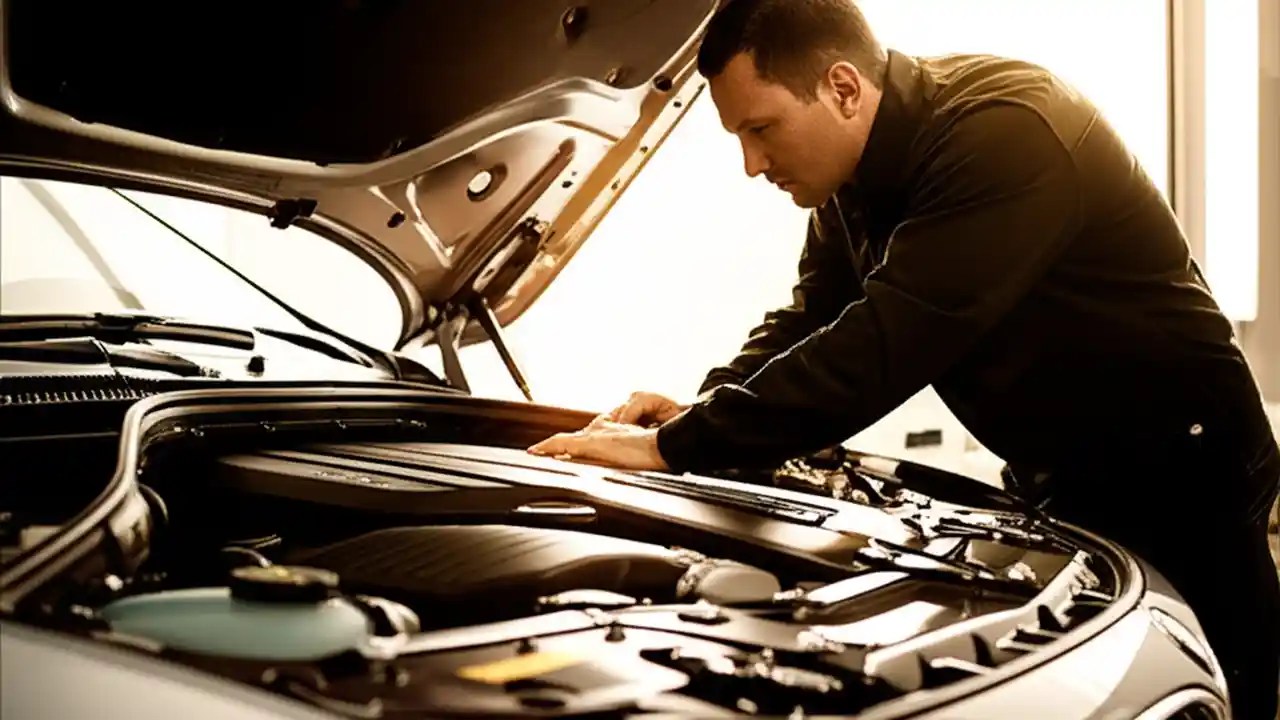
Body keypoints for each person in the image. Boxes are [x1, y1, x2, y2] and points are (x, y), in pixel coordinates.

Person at [527, 0, 1280, 716]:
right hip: (1067, 475)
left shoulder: (1008, 131)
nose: (753, 164)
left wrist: (673, 447)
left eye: (761, 129)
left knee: (1205, 693)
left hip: (1185, 472)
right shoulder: (848, 184)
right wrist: (705, 406)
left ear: (843, 88)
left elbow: (884, 346)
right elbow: (810, 316)